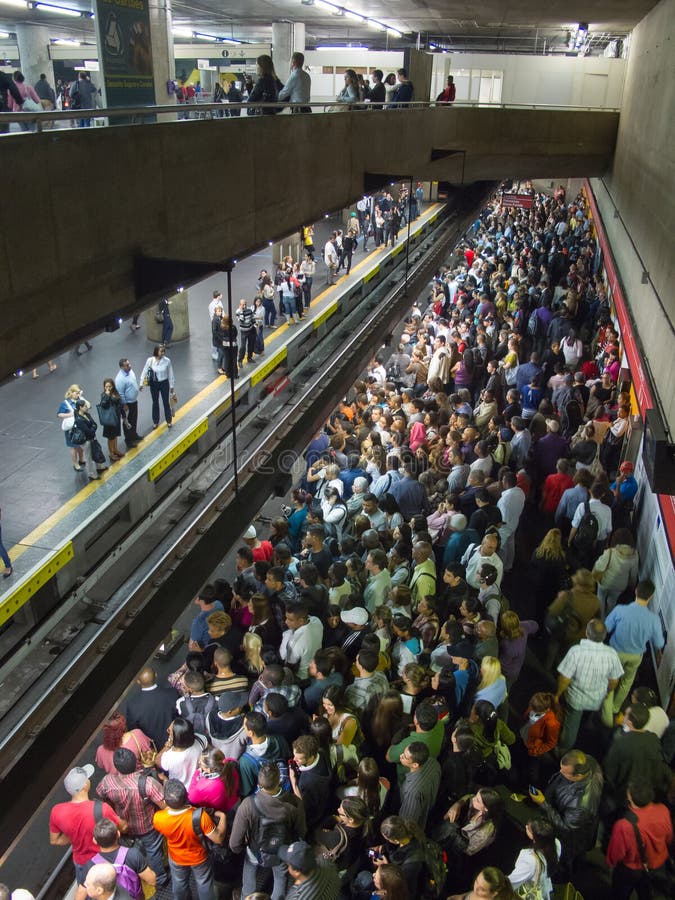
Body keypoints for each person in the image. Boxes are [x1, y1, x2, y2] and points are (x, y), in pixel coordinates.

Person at [229, 762, 306, 900]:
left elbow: (234, 842)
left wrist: (239, 849)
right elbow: (301, 832)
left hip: (255, 850)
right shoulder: (294, 803)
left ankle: (246, 897)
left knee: (249, 876)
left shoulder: (248, 804)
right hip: (282, 851)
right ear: (279, 781)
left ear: (259, 784)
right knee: (281, 878)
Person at [95, 747, 167, 885]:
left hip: (124, 827)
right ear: (135, 763)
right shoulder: (147, 783)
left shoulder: (107, 782)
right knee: (153, 851)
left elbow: (102, 798)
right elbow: (164, 805)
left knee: (132, 850)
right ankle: (160, 879)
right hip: (147, 826)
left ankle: (137, 872)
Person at [528, 750, 603, 875]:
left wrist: (543, 804)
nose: (560, 773)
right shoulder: (588, 762)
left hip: (569, 837)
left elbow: (565, 826)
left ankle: (558, 875)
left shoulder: (581, 804)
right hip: (562, 810)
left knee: (563, 858)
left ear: (578, 776)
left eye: (565, 772)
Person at [152, 778, 226, 900]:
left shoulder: (158, 818)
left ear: (165, 800)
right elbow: (218, 838)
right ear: (186, 796)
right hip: (199, 857)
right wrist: (222, 817)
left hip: (176, 857)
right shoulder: (200, 816)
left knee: (179, 883)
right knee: (204, 882)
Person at [555, 618, 624, 749]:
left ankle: (563, 748)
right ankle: (585, 723)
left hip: (575, 700)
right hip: (596, 699)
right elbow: (615, 680)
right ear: (604, 636)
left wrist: (558, 694)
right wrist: (607, 692)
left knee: (571, 727)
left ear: (587, 633)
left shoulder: (576, 651)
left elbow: (564, 678)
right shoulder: (612, 654)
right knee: (587, 716)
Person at [49, 765, 123, 882]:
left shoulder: (56, 811)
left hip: (81, 863)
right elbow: (120, 827)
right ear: (85, 786)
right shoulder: (102, 809)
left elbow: (55, 840)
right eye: (87, 778)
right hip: (104, 859)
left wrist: (75, 833)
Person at [603, 579, 664, 716]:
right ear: (651, 596)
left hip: (616, 652)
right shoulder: (654, 619)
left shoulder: (620, 610)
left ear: (636, 591)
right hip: (635, 656)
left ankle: (604, 704)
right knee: (626, 683)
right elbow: (659, 643)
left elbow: (606, 627)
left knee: (610, 678)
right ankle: (614, 708)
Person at [606, 778, 673, 900]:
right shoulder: (663, 810)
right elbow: (669, 837)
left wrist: (611, 863)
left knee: (620, 894)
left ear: (630, 798)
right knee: (647, 893)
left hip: (631, 869)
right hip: (658, 865)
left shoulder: (623, 825)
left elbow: (617, 853)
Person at [75, 818, 156, 900]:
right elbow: (151, 880)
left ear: (94, 841)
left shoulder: (91, 866)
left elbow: (81, 893)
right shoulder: (132, 854)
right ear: (118, 834)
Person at [124, 666, 179, 749]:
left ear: (138, 681)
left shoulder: (132, 705)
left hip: (153, 747)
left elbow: (133, 730)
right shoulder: (172, 693)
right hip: (176, 740)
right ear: (156, 675)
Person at [506, 818, 559, 899]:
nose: (526, 826)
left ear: (534, 836)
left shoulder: (529, 859)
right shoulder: (556, 844)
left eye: (528, 828)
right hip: (546, 889)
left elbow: (512, 882)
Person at [398, 741, 441, 829]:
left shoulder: (412, 792)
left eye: (405, 757)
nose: (400, 756)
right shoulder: (433, 762)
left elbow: (408, 821)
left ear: (415, 764)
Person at [140, 345, 175, 429]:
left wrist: (172, 385)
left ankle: (169, 421)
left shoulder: (167, 361)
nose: (163, 353)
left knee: (166, 402)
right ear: (156, 351)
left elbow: (170, 373)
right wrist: (141, 383)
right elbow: (144, 371)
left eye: (163, 351)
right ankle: (155, 421)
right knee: (155, 402)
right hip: (154, 384)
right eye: (161, 351)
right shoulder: (150, 360)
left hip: (164, 383)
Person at [57, 384, 86, 471]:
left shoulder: (79, 400)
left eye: (78, 393)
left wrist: (81, 397)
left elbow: (88, 406)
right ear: (71, 393)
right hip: (71, 429)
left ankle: (81, 459)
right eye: (76, 393)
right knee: (73, 447)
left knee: (80, 445)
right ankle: (75, 464)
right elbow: (59, 414)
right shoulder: (65, 403)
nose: (78, 395)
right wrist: (70, 414)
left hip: (79, 427)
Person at [114, 359, 143, 448]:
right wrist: (125, 404)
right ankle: (128, 440)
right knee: (127, 422)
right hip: (127, 404)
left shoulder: (130, 371)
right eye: (127, 365)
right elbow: (120, 393)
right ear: (122, 367)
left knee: (134, 419)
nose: (129, 366)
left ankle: (134, 435)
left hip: (134, 401)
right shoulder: (120, 379)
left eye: (129, 364)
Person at [98, 378, 125, 462]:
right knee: (110, 437)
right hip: (109, 419)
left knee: (115, 435)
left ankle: (115, 450)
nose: (108, 388)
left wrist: (124, 415)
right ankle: (111, 453)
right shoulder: (104, 395)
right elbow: (103, 405)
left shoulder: (115, 393)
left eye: (109, 386)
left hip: (116, 417)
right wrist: (107, 395)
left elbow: (120, 404)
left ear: (113, 386)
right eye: (106, 386)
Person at [236, 298, 257, 366]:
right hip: (244, 332)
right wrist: (242, 311)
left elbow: (252, 318)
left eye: (245, 304)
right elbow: (241, 320)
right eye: (242, 305)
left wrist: (255, 324)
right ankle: (240, 360)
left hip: (251, 330)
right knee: (243, 347)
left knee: (251, 345)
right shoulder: (238, 311)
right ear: (240, 305)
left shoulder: (249, 310)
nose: (244, 306)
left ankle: (249, 357)